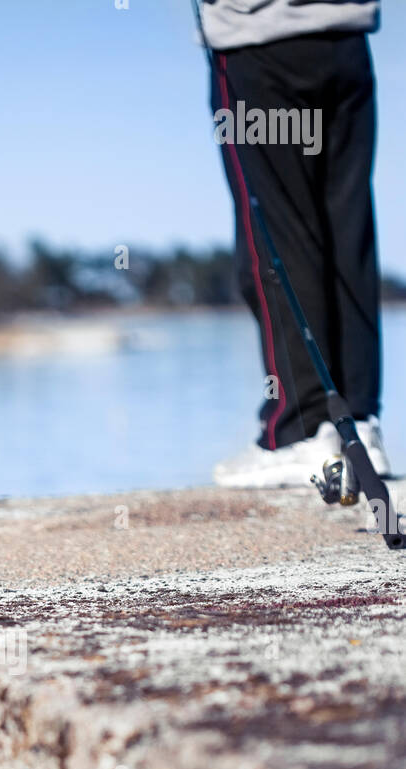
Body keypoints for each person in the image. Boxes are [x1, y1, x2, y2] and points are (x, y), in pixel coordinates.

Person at [201, 0, 392, 487]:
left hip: (260, 42)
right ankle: (359, 427)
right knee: (347, 228)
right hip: (345, 39)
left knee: (277, 232)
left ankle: (300, 431)